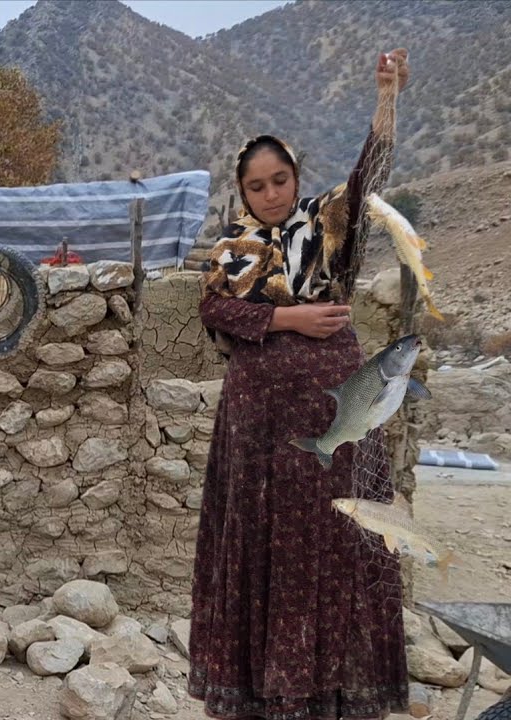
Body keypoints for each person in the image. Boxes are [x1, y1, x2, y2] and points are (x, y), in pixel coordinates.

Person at [189, 49, 412, 720]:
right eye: (257, 186)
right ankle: (260, 692)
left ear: (295, 175)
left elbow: (369, 174)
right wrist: (289, 318)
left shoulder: (329, 222)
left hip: (335, 410)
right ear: (242, 191)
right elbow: (214, 310)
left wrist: (387, 97)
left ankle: (333, 694)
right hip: (258, 419)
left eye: (280, 180)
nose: (271, 194)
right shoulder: (232, 249)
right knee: (261, 540)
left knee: (339, 531)